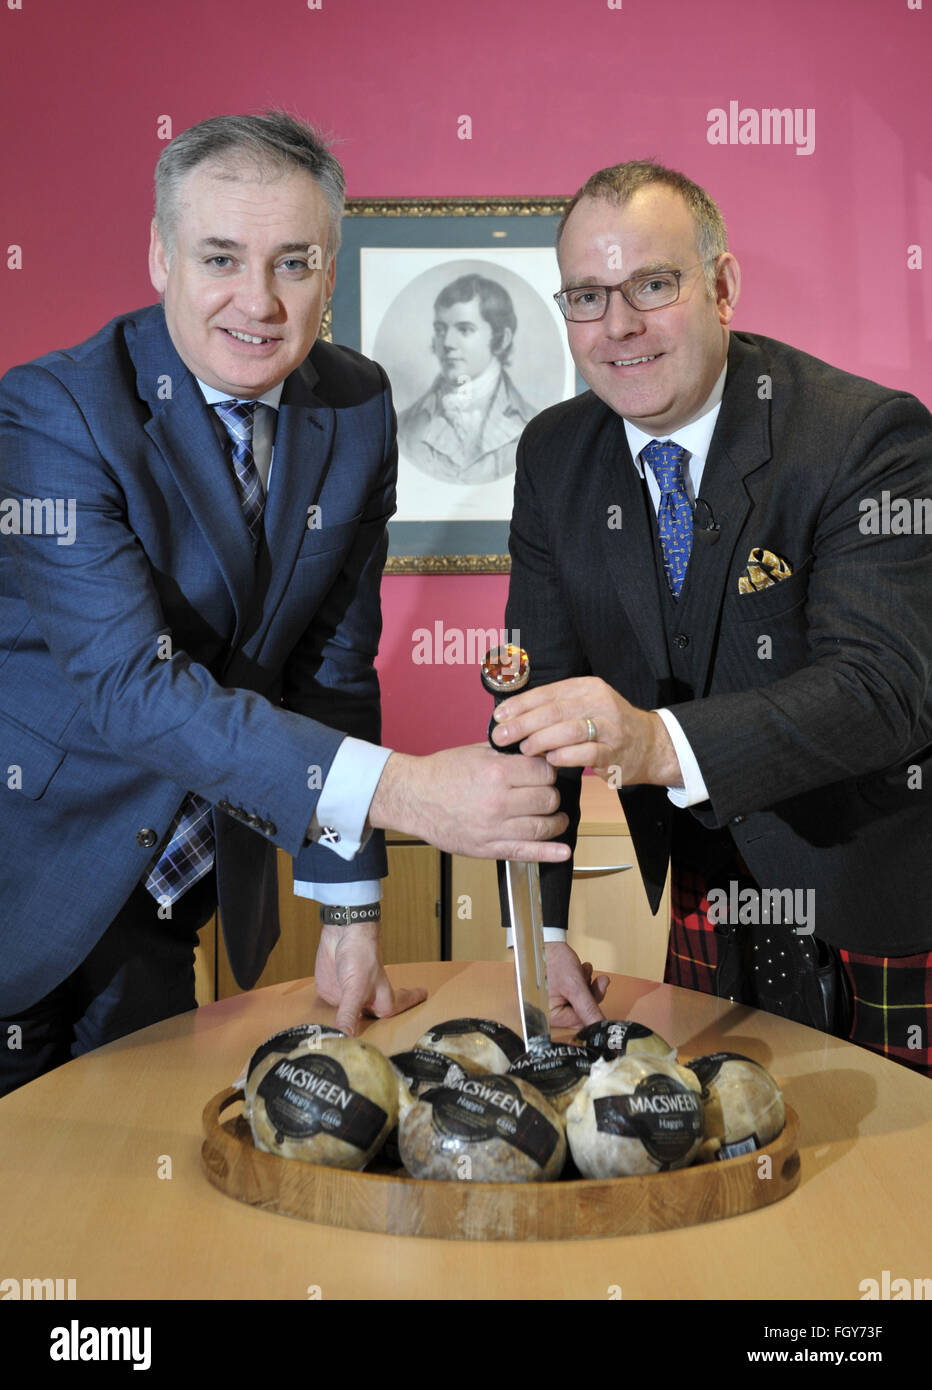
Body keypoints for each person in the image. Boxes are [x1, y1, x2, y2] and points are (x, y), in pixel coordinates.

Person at [0, 112, 569, 1097]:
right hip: (28, 866)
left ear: (331, 270)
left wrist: (349, 914)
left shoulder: (354, 405)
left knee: (134, 1199)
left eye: (294, 264)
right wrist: (411, 793)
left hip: (172, 892)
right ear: (159, 254)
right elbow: (133, 690)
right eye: (220, 257)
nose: (257, 302)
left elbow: (331, 671)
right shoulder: (54, 411)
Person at [490, 161, 932, 1074]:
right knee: (728, 1185)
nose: (618, 327)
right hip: (702, 904)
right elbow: (538, 706)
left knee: (891, 1206)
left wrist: (655, 745)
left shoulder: (866, 436)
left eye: (653, 285)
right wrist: (542, 929)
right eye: (586, 296)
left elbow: (882, 691)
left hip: (878, 896)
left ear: (722, 286)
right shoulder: (554, 454)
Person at [397, 273, 537, 483]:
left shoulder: (537, 426)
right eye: (440, 330)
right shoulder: (404, 427)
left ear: (501, 339)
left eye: (464, 330)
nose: (447, 343)